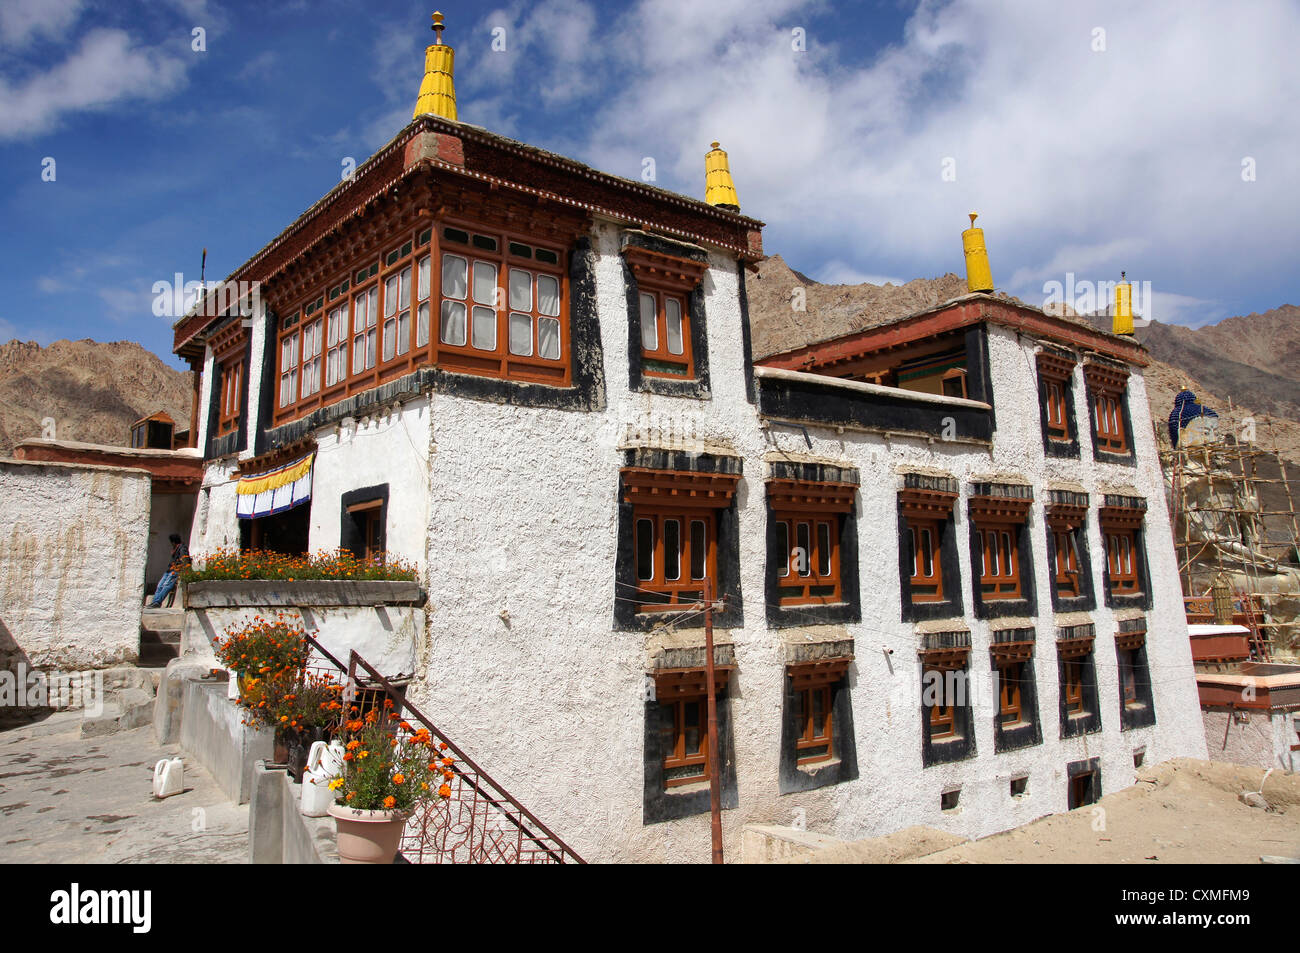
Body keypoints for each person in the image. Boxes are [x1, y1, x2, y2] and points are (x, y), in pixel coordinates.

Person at [148, 534, 189, 608]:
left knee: (167, 585)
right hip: (169, 570)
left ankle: (157, 602)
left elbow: (184, 559)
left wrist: (179, 567)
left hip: (175, 570)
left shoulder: (182, 548)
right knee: (160, 585)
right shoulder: (175, 548)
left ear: (173, 542)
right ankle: (155, 602)